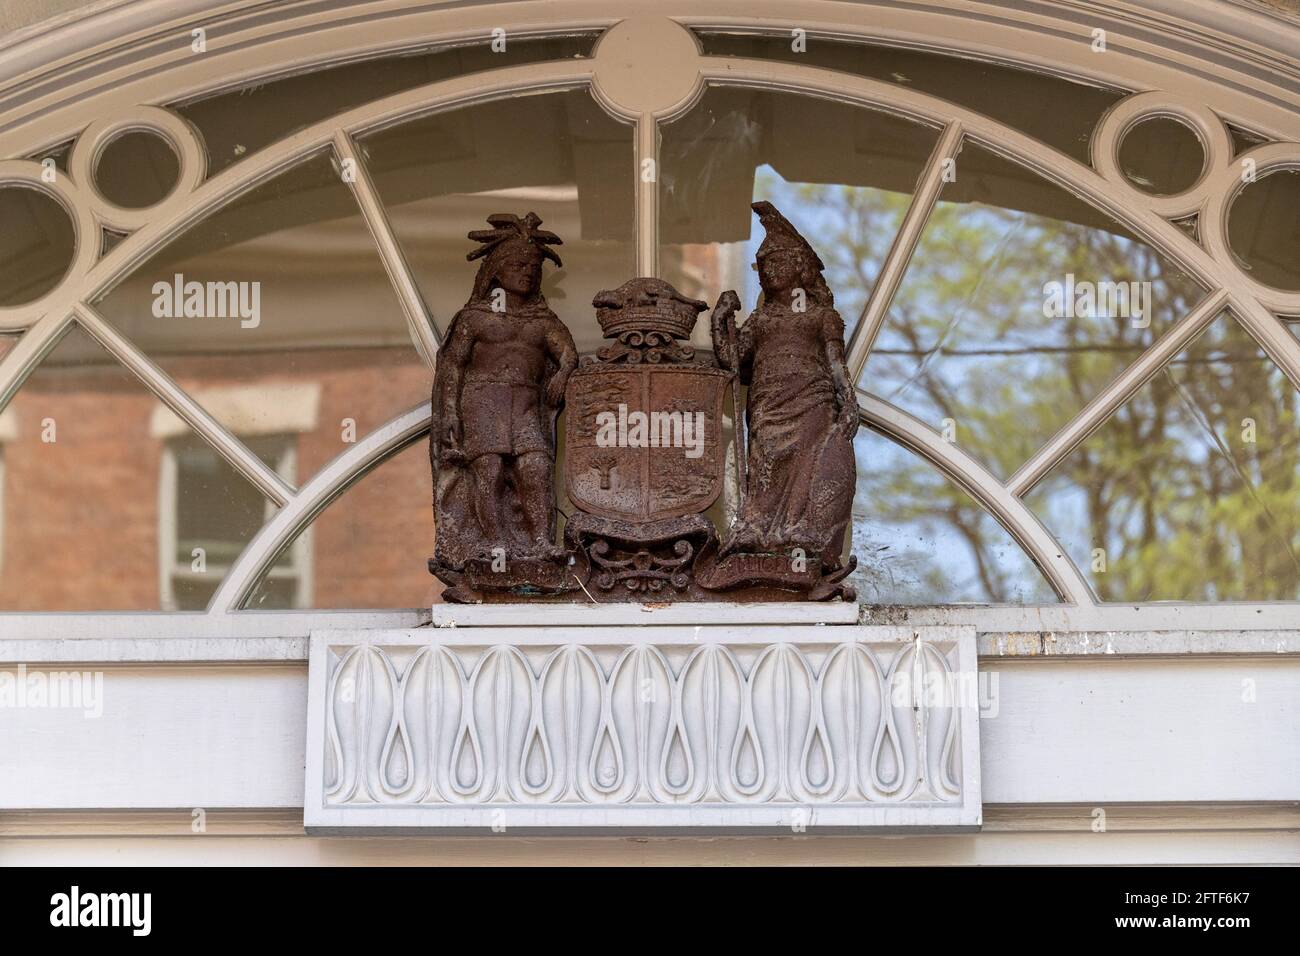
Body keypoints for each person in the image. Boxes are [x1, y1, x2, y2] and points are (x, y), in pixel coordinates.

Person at [712, 201, 858, 573]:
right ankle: (757, 528)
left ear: (800, 269)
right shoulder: (761, 319)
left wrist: (849, 401)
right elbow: (732, 359)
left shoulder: (822, 316)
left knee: (805, 462)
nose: (769, 273)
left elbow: (835, 363)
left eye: (778, 264)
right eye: (764, 267)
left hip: (810, 401)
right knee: (766, 459)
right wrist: (721, 317)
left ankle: (798, 531)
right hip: (766, 404)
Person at [431, 212, 578, 573]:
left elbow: (567, 353)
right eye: (518, 264)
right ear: (496, 269)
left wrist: (564, 372)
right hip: (483, 400)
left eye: (533, 266)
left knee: (536, 467)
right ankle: (494, 544)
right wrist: (449, 412)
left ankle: (540, 541)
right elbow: (453, 366)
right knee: (490, 469)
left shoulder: (542, 321)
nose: (527, 271)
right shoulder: (474, 318)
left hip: (526, 403)